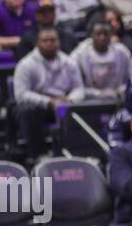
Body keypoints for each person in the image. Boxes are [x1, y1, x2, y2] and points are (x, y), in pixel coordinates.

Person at [13, 26, 84, 159]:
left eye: (53, 40)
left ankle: (80, 154)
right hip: (40, 107)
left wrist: (70, 99)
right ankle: (39, 155)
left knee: (86, 108)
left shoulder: (69, 63)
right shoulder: (26, 64)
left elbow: (79, 88)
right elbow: (21, 94)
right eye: (45, 40)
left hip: (64, 105)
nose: (50, 43)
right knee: (26, 111)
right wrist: (48, 102)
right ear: (38, 43)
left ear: (59, 42)